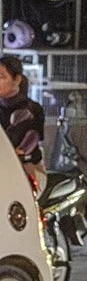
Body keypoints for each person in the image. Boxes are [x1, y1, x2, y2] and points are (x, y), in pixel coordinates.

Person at [0, 53, 45, 187]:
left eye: (1, 77)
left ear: (17, 79)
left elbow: (30, 141)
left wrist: (16, 152)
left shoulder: (32, 109)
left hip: (27, 168)